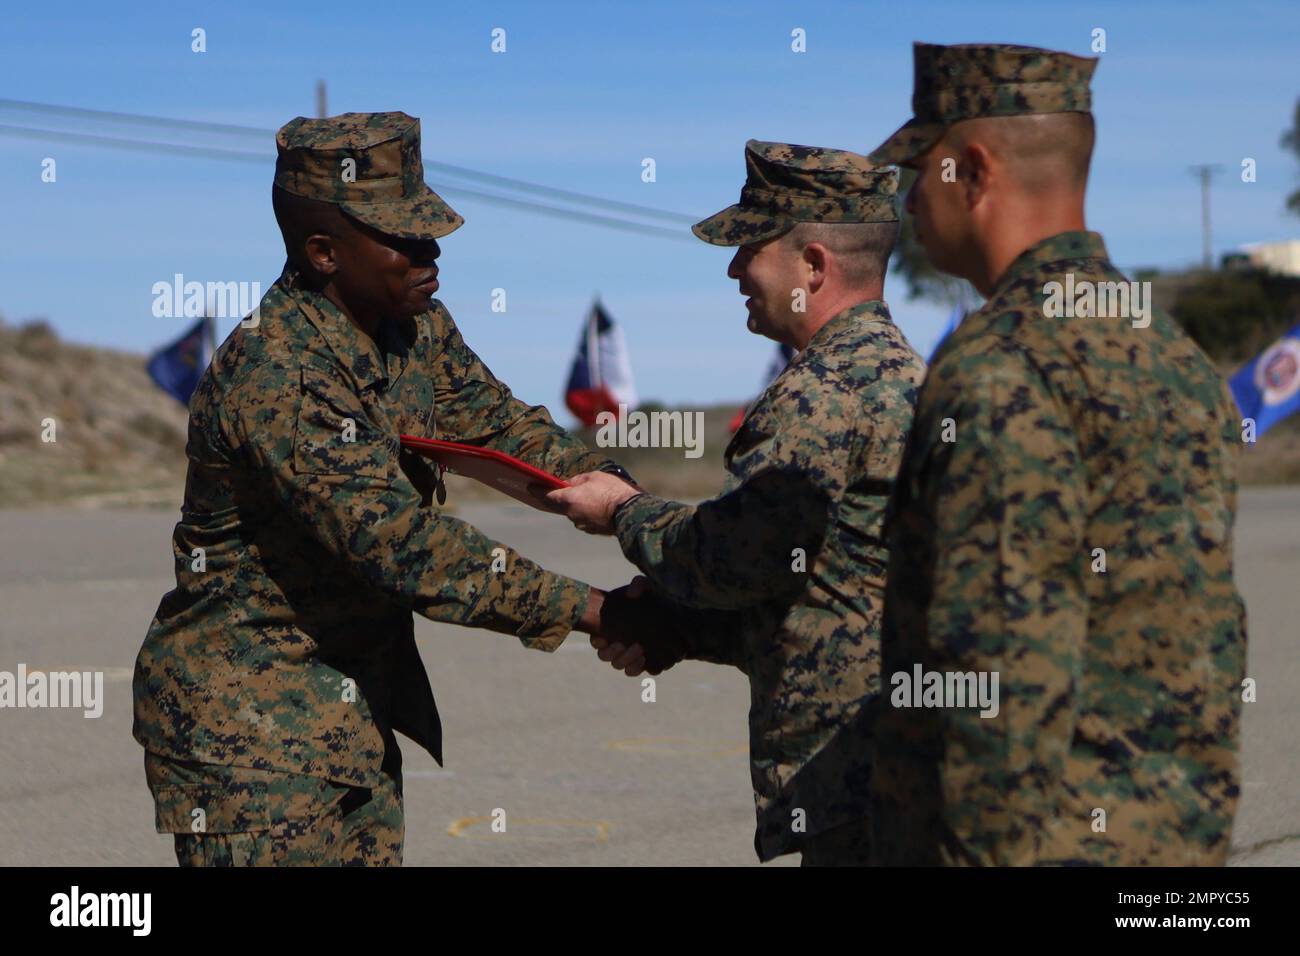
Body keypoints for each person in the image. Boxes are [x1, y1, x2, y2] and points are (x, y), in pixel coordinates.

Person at [132, 111, 639, 866]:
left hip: (348, 713)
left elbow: (497, 425)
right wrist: (601, 612)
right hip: (251, 742)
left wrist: (621, 502)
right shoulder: (281, 374)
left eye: (428, 230)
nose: (429, 250)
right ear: (324, 252)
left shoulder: (414, 327)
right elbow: (404, 549)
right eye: (401, 237)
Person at [866, 42, 1248, 865]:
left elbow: (1001, 667)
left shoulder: (1000, 363)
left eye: (916, 171)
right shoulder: (1172, 354)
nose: (906, 201)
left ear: (970, 172)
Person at [548, 141, 926, 865]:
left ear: (812, 266)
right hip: (904, 764)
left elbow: (730, 562)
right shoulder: (912, 377)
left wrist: (625, 511)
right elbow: (830, 587)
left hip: (856, 786)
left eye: (751, 246)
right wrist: (679, 631)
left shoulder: (823, 395)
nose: (733, 269)